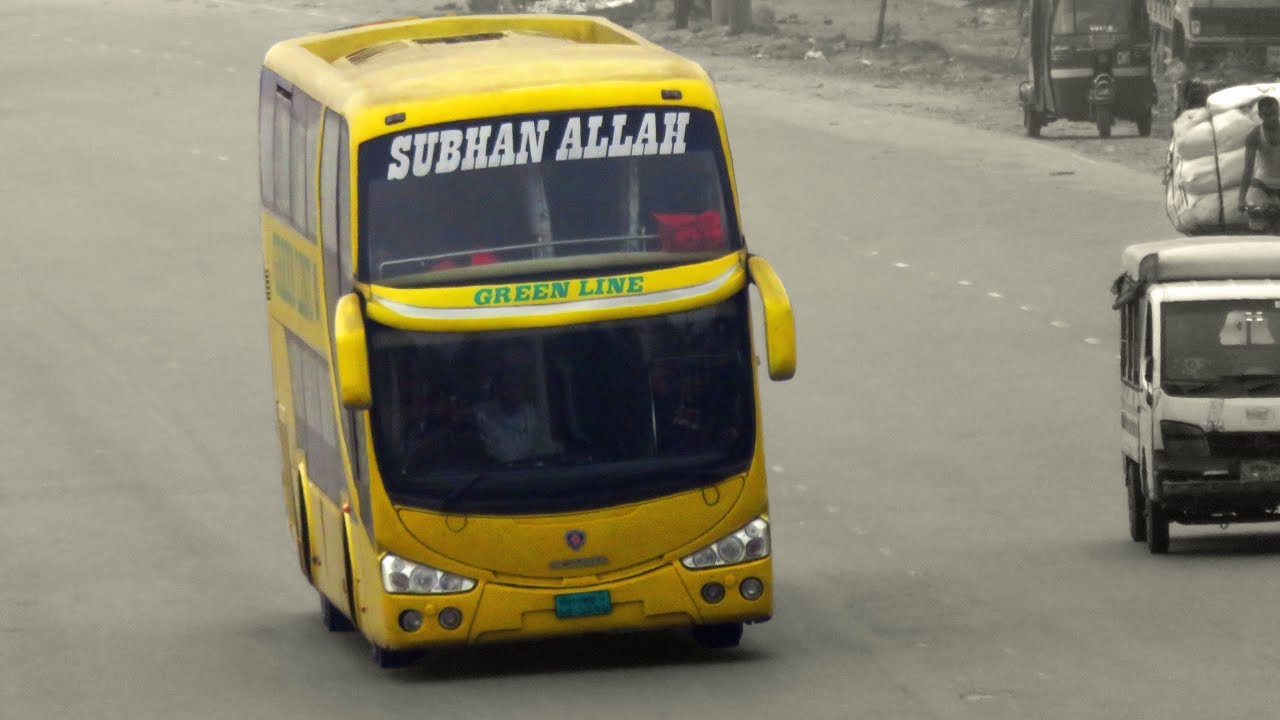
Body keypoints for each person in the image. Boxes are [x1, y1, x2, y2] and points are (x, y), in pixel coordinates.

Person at [472, 360, 561, 463]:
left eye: (517, 385)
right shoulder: (481, 415)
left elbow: (543, 447)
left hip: (527, 474)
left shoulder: (531, 414)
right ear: (498, 388)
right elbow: (505, 455)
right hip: (494, 474)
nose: (514, 390)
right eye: (508, 385)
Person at [1237, 96, 1280, 222]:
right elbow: (1248, 169)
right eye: (1268, 115)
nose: (1273, 118)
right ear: (1260, 115)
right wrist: (1241, 199)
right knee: (1256, 220)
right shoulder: (1254, 136)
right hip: (1262, 184)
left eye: (1276, 113)